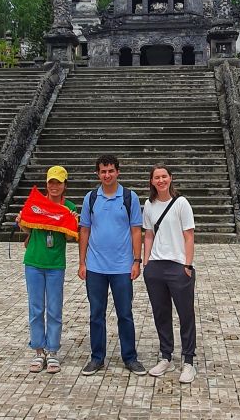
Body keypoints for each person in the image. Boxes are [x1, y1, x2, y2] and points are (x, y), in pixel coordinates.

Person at [78, 154, 146, 376]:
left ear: (118, 171)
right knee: (96, 313)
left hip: (121, 266)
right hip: (96, 266)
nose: (107, 175)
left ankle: (130, 357)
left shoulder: (129, 197)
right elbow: (85, 230)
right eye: (102, 171)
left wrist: (136, 260)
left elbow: (136, 230)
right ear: (97, 173)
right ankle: (97, 357)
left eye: (110, 171)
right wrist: (82, 262)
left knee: (125, 313)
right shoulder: (91, 198)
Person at [17, 165, 77, 374]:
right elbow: (27, 229)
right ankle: (38, 350)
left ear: (64, 185)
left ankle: (52, 351)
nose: (54, 186)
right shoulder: (36, 203)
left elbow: (70, 237)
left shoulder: (69, 207)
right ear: (46, 184)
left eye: (58, 183)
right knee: (36, 308)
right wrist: (21, 221)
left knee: (54, 309)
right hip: (34, 261)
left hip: (55, 264)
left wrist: (72, 221)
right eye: (51, 182)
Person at [142, 163, 197, 384]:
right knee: (161, 314)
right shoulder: (149, 204)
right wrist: (146, 263)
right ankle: (166, 356)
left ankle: (189, 360)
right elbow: (148, 235)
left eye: (164, 176)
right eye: (157, 177)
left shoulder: (181, 203)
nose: (161, 180)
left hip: (177, 265)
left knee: (186, 314)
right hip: (156, 266)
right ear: (152, 181)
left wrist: (187, 265)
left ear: (170, 178)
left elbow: (189, 236)